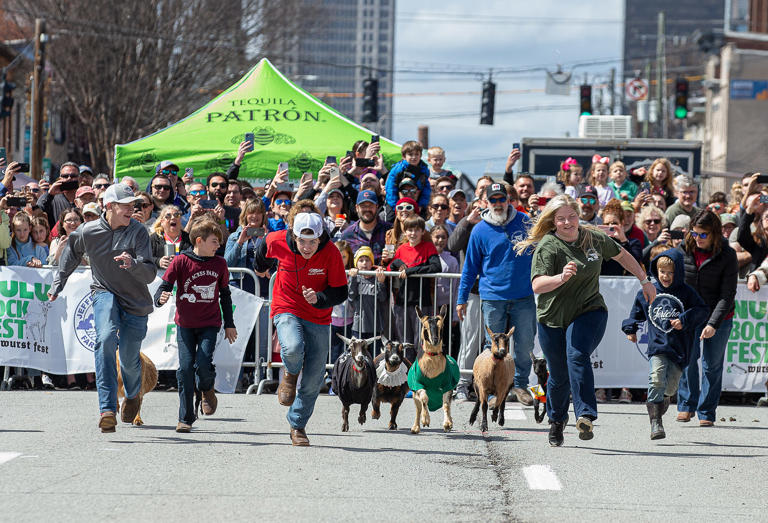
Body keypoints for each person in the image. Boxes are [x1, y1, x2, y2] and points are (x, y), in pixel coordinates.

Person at [517, 194, 655, 446]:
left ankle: (585, 414)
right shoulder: (549, 245)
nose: (568, 223)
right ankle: (557, 420)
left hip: (590, 310)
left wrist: (644, 280)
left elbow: (622, 255)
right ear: (553, 221)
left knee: (577, 354)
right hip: (552, 318)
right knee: (558, 374)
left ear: (578, 216)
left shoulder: (593, 237)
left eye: (572, 216)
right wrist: (560, 277)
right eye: (561, 219)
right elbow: (537, 284)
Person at [49, 183, 156, 433]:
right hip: (104, 292)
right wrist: (57, 284)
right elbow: (71, 253)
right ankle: (107, 409)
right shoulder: (88, 230)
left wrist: (133, 264)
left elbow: (150, 273)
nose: (131, 209)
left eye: (133, 205)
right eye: (125, 205)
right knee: (105, 338)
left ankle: (132, 395)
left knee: (129, 359)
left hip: (135, 300)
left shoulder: (139, 231)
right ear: (109, 206)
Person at [253, 212, 348, 446]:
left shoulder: (331, 252)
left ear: (320, 237)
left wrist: (320, 298)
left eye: (312, 242)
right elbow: (262, 248)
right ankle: (290, 373)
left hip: (318, 314)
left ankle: (297, 425)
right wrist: (261, 266)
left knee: (315, 377)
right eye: (302, 241)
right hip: (286, 305)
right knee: (293, 347)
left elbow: (340, 292)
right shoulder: (277, 240)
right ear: (293, 236)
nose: (307, 247)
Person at [456, 182, 536, 405]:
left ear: (509, 200)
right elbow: (470, 268)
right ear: (486, 202)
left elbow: (542, 250)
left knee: (525, 345)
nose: (498, 204)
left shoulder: (525, 222)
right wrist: (461, 299)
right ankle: (491, 390)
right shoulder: (479, 230)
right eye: (493, 200)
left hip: (524, 296)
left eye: (502, 199)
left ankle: (520, 385)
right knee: (491, 348)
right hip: (492, 297)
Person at [154, 218, 237, 433]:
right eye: (214, 241)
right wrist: (160, 298)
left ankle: (207, 388)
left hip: (210, 323)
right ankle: (185, 417)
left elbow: (225, 295)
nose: (218, 245)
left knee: (203, 363)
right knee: (184, 369)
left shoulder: (220, 264)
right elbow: (164, 286)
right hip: (185, 325)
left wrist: (230, 324)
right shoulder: (181, 261)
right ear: (199, 241)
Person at [622, 249, 708, 440]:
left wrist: (684, 320)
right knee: (656, 378)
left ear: (678, 273)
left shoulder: (686, 292)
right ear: (656, 271)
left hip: (679, 348)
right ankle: (656, 423)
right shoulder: (649, 291)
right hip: (657, 346)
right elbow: (636, 312)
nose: (666, 276)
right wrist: (630, 329)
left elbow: (702, 310)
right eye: (662, 272)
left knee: (670, 387)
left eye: (670, 273)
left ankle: (664, 401)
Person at [677, 210, 738, 426]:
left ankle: (706, 411)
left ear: (715, 233)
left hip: (720, 315)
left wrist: (713, 323)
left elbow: (727, 295)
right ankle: (686, 405)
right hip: (691, 314)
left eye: (703, 234)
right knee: (688, 359)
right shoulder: (682, 249)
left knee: (712, 365)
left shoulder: (727, 255)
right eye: (694, 233)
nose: (698, 239)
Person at [389, 215, 441, 362]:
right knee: (405, 343)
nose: (413, 233)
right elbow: (392, 266)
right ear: (405, 232)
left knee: (420, 342)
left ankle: (419, 372)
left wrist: (411, 271)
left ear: (423, 231)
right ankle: (407, 373)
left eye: (417, 230)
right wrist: (398, 263)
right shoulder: (401, 249)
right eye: (410, 230)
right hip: (402, 303)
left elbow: (436, 267)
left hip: (421, 303)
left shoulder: (428, 247)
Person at [340, 190, 391, 265]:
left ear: (377, 207)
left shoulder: (389, 230)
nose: (367, 209)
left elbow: (394, 259)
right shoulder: (347, 235)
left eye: (371, 206)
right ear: (357, 208)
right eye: (363, 206)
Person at [347, 246, 387, 341]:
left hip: (375, 326)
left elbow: (382, 298)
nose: (364, 263)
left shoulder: (377, 277)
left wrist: (381, 282)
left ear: (372, 263)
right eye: (361, 260)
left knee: (375, 350)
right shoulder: (355, 278)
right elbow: (351, 297)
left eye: (367, 260)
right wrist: (353, 279)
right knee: (358, 350)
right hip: (358, 326)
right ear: (356, 264)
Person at [385, 140, 431, 217]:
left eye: (416, 154)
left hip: (417, 204)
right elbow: (390, 189)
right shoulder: (398, 169)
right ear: (404, 156)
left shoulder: (424, 170)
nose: (414, 157)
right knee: (390, 219)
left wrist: (421, 205)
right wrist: (395, 206)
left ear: (420, 155)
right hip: (397, 204)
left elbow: (426, 190)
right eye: (410, 154)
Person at [37, 162, 79, 228]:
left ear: (79, 178)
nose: (69, 178)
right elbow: (39, 210)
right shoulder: (52, 198)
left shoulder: (84, 197)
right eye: (65, 176)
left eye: (73, 176)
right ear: (60, 179)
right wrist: (49, 194)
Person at [150, 205, 192, 269]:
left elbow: (195, 258)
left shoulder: (189, 238)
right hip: (161, 273)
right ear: (162, 222)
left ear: (180, 220)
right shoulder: (154, 239)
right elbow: (145, 258)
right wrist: (158, 261)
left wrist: (180, 260)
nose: (173, 218)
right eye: (168, 216)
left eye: (176, 215)